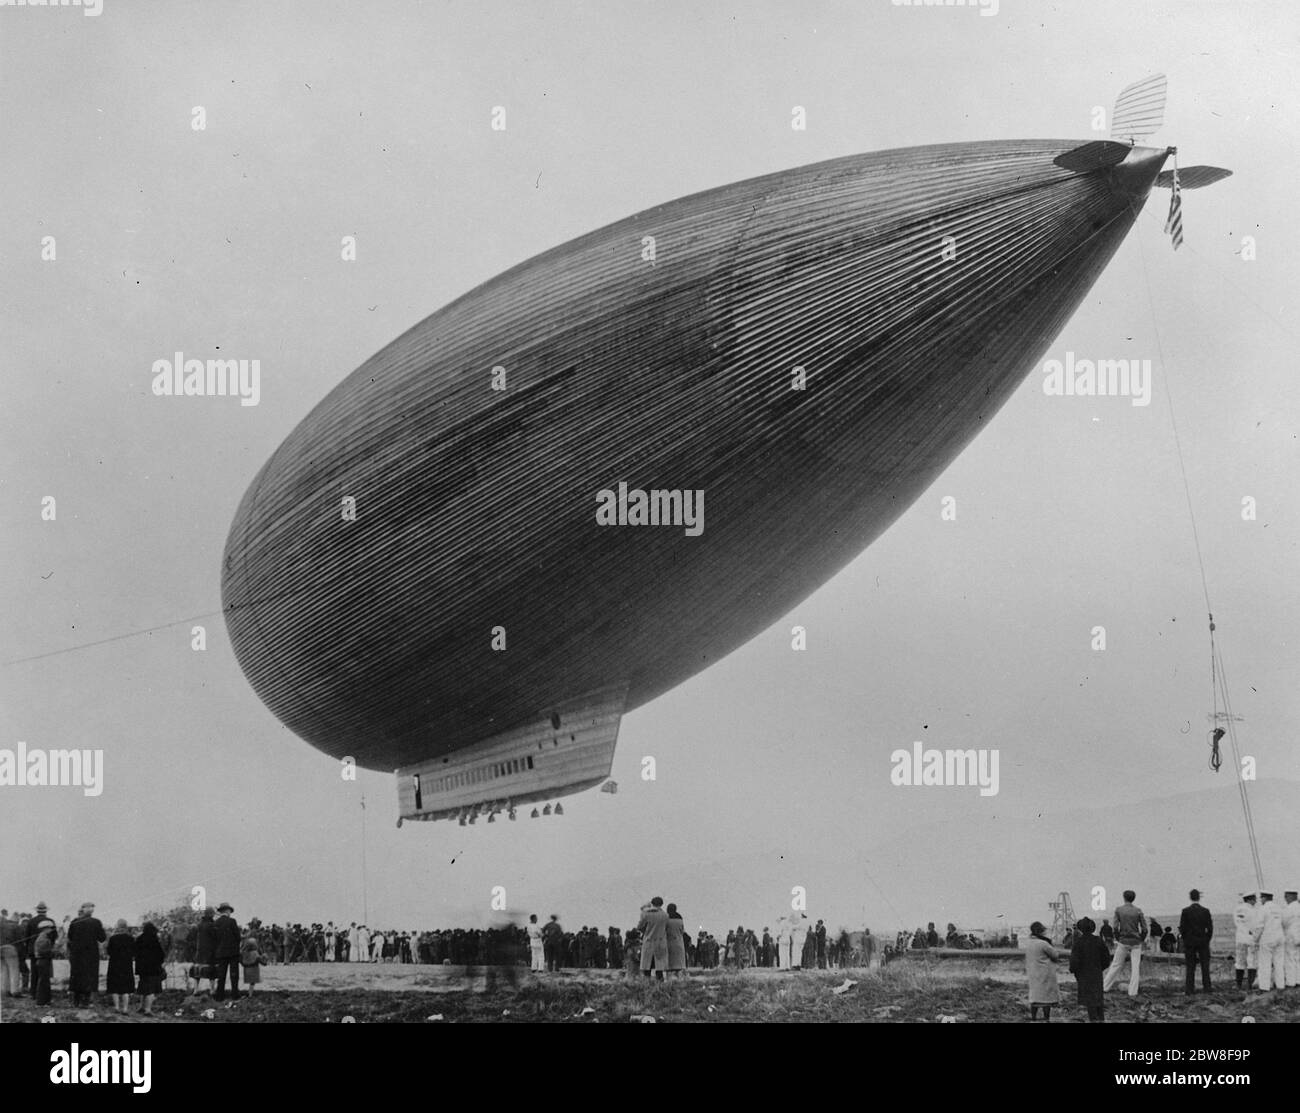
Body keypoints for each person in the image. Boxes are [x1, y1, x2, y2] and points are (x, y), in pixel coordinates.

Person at [1102, 890, 1147, 998]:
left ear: (1124, 897)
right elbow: (1144, 928)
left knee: (1116, 964)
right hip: (1136, 942)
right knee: (1135, 967)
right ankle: (1132, 992)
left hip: (1123, 941)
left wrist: (1118, 938)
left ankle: (1105, 987)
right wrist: (1141, 938)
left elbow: (1115, 927)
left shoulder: (1119, 910)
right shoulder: (1138, 911)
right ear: (1133, 898)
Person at [1068, 917, 1109, 1022]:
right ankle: (1101, 1020)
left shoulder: (1078, 943)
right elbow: (1106, 959)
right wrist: (1099, 968)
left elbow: (1073, 962)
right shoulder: (1098, 941)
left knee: (1090, 1002)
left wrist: (1075, 971)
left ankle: (1094, 1020)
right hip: (1096, 974)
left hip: (1084, 976)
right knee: (1098, 1000)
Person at [67, 901, 107, 1007]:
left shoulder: (74, 922)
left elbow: (70, 937)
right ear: (92, 911)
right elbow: (102, 938)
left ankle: (76, 1000)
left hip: (77, 954)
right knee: (89, 976)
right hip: (91, 954)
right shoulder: (96, 922)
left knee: (76, 975)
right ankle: (85, 1001)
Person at [1178, 888, 1213, 994]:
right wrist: (1206, 940)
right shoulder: (1205, 911)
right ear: (1199, 897)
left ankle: (1189, 989)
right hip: (1202, 941)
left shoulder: (1185, 911)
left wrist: (1186, 940)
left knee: (1190, 967)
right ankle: (1207, 988)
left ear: (1190, 897)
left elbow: (1182, 928)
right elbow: (1210, 928)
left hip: (1190, 942)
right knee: (1205, 966)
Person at [1024, 921, 1059, 1021]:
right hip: (1044, 973)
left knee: (1034, 998)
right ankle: (1046, 1018)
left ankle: (1033, 1018)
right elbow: (1055, 955)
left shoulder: (1029, 943)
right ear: (1040, 932)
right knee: (1045, 998)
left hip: (1033, 973)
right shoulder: (1043, 944)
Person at [134, 921, 165, 1017]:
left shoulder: (139, 939)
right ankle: (148, 1009)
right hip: (153, 969)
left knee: (143, 989)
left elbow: (135, 953)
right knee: (151, 990)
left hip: (142, 969)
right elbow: (161, 954)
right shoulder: (154, 939)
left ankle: (141, 1007)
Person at [1256, 891, 1285, 992]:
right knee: (1279, 963)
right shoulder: (1279, 908)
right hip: (1280, 937)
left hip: (1268, 938)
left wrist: (1255, 939)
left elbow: (1259, 926)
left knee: (1265, 963)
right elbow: (1284, 923)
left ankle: (1264, 987)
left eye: (1261, 898)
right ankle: (1280, 985)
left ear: (1264, 898)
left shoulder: (1263, 909)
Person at [212, 902, 242, 1002]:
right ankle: (235, 994)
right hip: (233, 952)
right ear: (227, 911)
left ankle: (219, 995)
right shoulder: (232, 921)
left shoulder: (216, 923)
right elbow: (238, 937)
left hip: (220, 952)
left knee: (221, 975)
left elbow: (214, 939)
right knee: (234, 974)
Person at [106, 920, 136, 1014]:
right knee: (126, 988)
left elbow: (109, 951)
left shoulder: (113, 938)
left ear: (117, 926)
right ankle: (125, 1008)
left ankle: (116, 1007)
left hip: (114, 964)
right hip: (126, 964)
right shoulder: (131, 938)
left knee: (114, 987)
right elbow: (134, 952)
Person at [1233, 892, 1261, 990]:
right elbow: (1256, 925)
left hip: (1240, 937)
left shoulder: (1237, 909)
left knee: (1240, 961)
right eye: (1254, 899)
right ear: (1250, 899)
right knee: (1251, 961)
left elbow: (1236, 923)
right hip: (1250, 938)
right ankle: (1250, 985)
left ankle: (1238, 984)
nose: (1256, 901)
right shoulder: (1253, 911)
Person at [637, 897, 669, 980]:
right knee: (659, 968)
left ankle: (647, 984)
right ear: (661, 904)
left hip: (649, 940)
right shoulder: (665, 915)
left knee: (647, 967)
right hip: (660, 942)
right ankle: (660, 985)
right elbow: (667, 928)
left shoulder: (646, 914)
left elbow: (639, 926)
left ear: (652, 903)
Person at [31, 918, 57, 1006]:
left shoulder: (43, 937)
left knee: (45, 982)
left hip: (43, 961)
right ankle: (41, 1002)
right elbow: (44, 951)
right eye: (49, 928)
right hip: (43, 961)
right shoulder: (43, 938)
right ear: (45, 928)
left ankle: (45, 1001)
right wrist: (53, 951)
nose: (51, 930)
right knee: (43, 982)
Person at [1282, 890, 1300, 989]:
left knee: (1289, 959)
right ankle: (1298, 981)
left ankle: (1290, 982)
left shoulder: (1288, 909)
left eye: (1286, 897)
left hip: (1291, 936)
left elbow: (1283, 922)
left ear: (1289, 897)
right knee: (1298, 959)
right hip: (1299, 935)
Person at [240, 926, 265, 995]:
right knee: (253, 981)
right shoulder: (255, 948)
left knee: (249, 978)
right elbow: (259, 954)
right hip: (254, 965)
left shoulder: (246, 941)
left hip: (246, 962)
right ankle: (250, 993)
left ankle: (249, 992)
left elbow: (241, 950)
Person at [0, 910, 19, 998]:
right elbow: (18, 939)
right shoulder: (12, 927)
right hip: (10, 948)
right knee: (13, 970)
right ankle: (14, 991)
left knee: (3, 970)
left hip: (1, 948)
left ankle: (4, 990)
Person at [665, 903, 687, 978]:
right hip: (678, 942)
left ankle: (670, 980)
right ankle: (679, 979)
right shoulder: (680, 918)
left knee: (669, 964)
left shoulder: (666, 919)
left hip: (669, 943)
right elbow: (682, 931)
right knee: (679, 964)